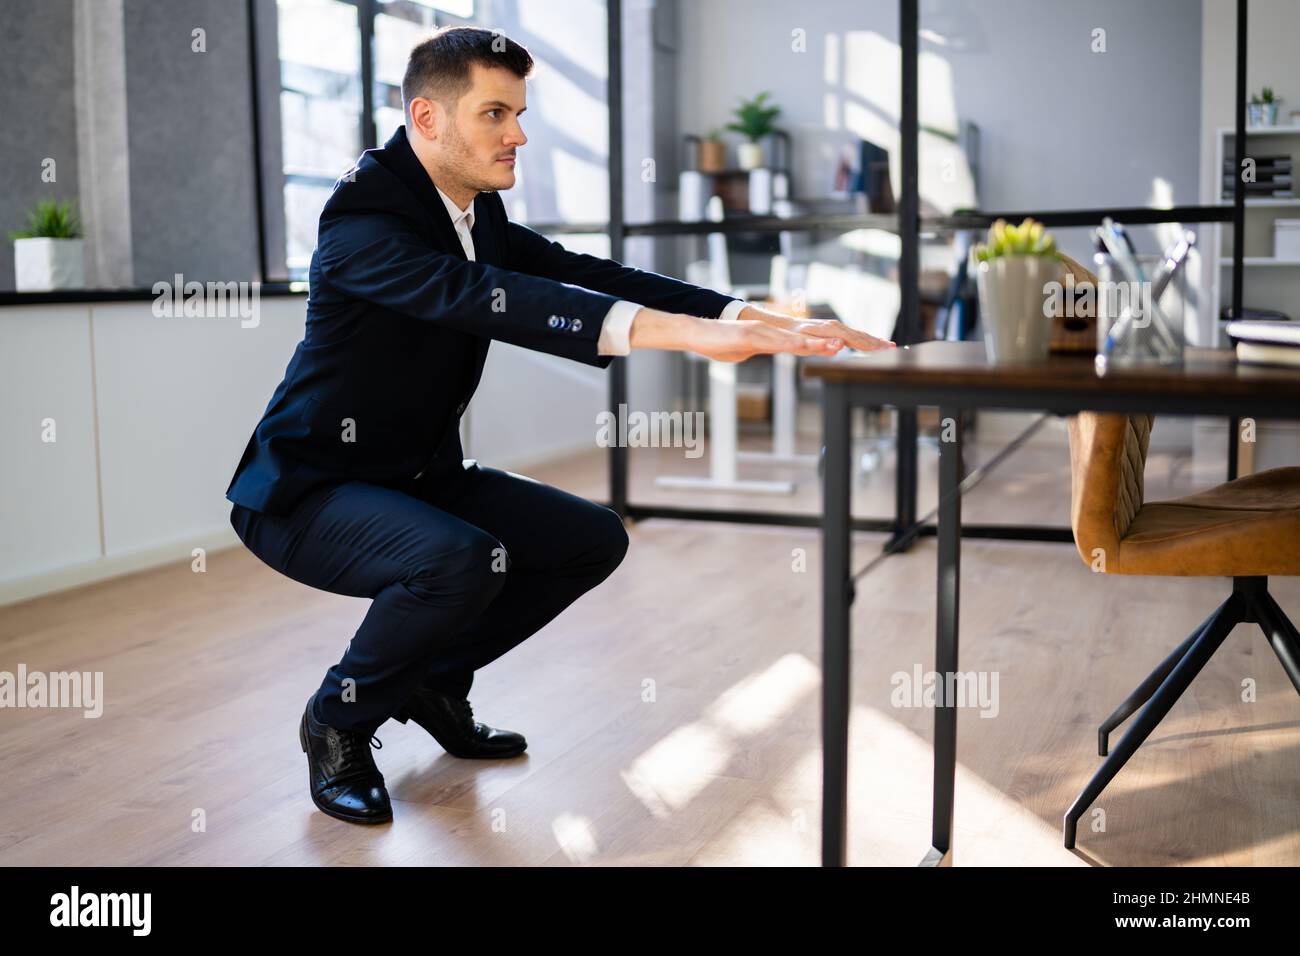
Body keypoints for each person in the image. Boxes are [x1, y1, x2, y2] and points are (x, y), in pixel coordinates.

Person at [225, 25, 893, 825]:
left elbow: (582, 275)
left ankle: (435, 680)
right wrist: (689, 338)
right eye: (496, 114)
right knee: (459, 560)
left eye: (520, 112)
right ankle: (338, 719)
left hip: (419, 480)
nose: (519, 134)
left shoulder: (476, 212)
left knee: (590, 537)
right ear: (428, 119)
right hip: (306, 493)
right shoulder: (363, 218)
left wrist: (763, 319)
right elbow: (486, 300)